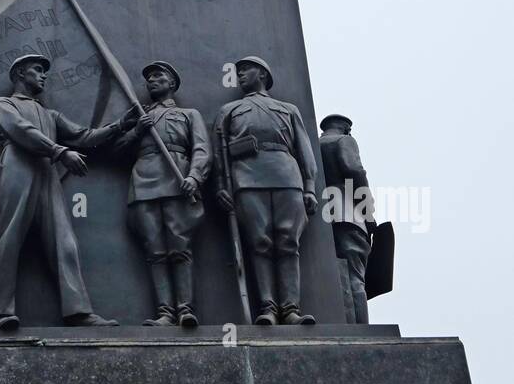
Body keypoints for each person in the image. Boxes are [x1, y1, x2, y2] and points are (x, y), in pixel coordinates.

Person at [0, 55, 140, 330]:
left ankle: (78, 311)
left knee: (64, 242)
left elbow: (84, 137)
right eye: (37, 70)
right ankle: (0, 313)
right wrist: (59, 151)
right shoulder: (4, 104)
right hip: (17, 168)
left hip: (46, 171)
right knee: (8, 239)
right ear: (21, 74)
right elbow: (21, 130)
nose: (44, 75)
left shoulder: (50, 115)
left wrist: (121, 125)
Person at [213, 57, 318, 325]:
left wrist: (309, 187)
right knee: (259, 242)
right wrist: (222, 187)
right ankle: (268, 308)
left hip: (285, 175)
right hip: (246, 179)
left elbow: (304, 151)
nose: (240, 75)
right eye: (238, 72)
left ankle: (290, 308)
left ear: (262, 73)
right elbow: (218, 155)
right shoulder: (229, 110)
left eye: (245, 70)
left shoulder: (288, 109)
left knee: (288, 241)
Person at [115, 62, 211, 327]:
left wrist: (194, 176)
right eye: (148, 78)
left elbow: (202, 149)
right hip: (144, 181)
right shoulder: (138, 117)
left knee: (180, 247)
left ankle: (185, 309)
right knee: (155, 250)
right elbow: (118, 150)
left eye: (158, 76)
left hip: (176, 179)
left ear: (172, 84)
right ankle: (165, 312)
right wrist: (137, 130)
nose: (151, 81)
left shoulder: (189, 114)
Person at [319, 113, 374, 324]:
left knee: (335, 276)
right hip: (347, 213)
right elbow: (355, 171)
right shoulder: (345, 141)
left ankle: (344, 324)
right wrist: (367, 211)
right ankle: (361, 328)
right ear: (346, 129)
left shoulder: (313, 145)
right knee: (355, 278)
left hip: (320, 219)